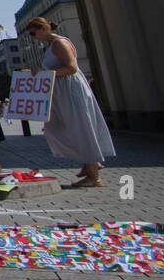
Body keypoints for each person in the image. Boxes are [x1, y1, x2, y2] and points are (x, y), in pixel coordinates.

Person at [27, 17, 115, 187]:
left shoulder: (59, 43)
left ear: (43, 29)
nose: (33, 37)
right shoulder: (52, 45)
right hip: (64, 92)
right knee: (67, 128)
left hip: (71, 91)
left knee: (81, 128)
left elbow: (71, 67)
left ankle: (94, 176)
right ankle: (89, 164)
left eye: (33, 33)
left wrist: (44, 72)